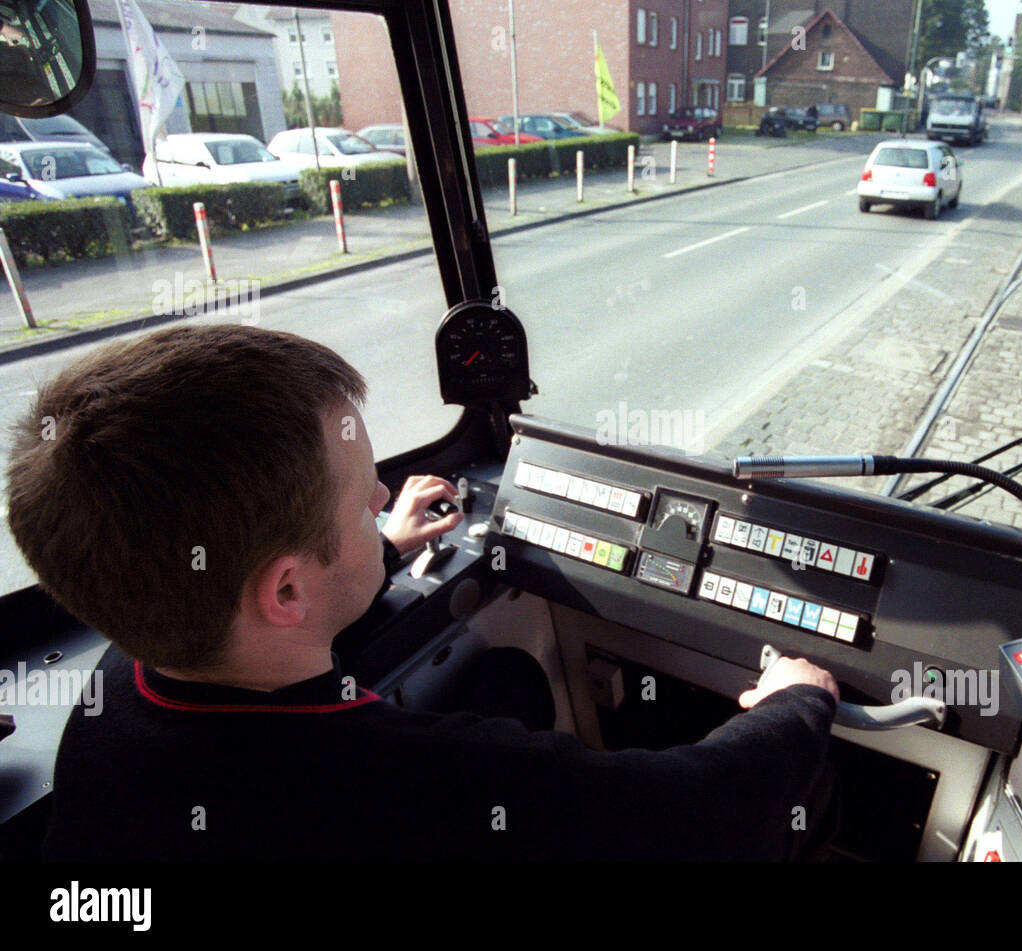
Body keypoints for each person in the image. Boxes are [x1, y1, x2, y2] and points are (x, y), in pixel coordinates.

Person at [6, 324, 840, 860]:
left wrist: (374, 548)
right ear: (287, 588)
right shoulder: (409, 786)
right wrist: (795, 704)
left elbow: (264, 608)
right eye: (360, 497)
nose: (383, 493)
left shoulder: (123, 682)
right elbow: (703, 811)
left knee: (507, 684)